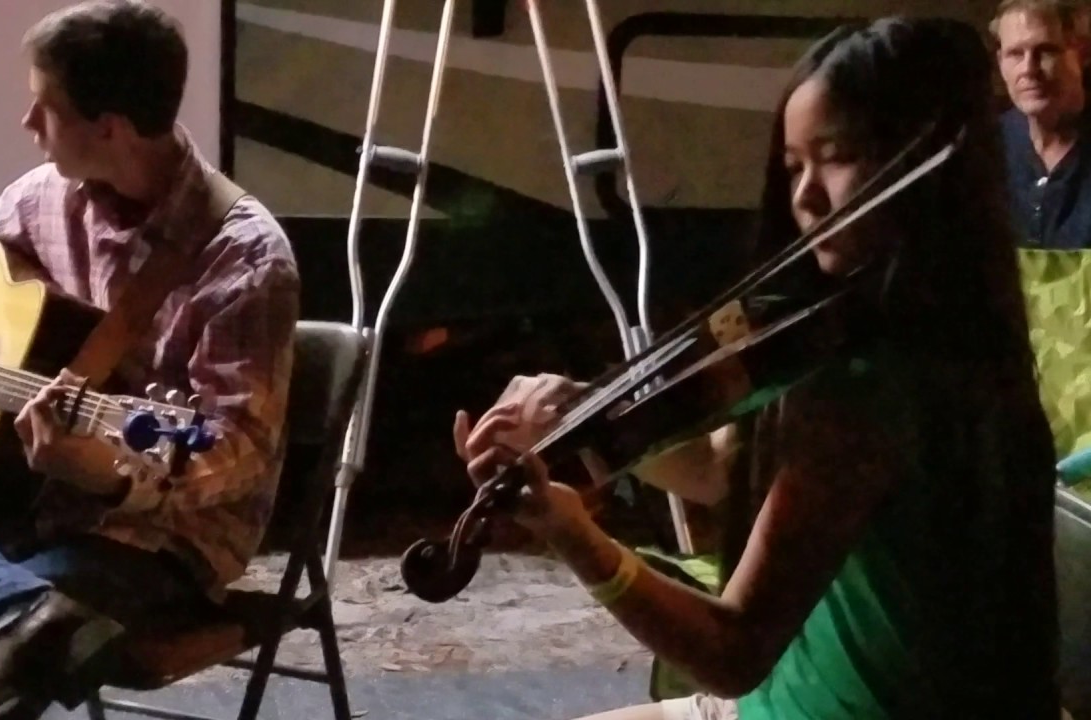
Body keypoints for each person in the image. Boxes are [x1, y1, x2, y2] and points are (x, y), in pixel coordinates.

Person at [454, 17, 1061, 720]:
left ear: (915, 162)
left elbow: (732, 651)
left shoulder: (870, 388)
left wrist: (574, 535)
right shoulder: (962, 337)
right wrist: (587, 415)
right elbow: (720, 471)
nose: (805, 196)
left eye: (835, 156)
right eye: (793, 166)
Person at [0, 1, 298, 718]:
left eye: (44, 108)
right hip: (8, 504)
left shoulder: (246, 260)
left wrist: (98, 470)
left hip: (150, 543)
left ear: (110, 130)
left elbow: (237, 450)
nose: (26, 125)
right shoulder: (53, 195)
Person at [994, 0, 1091, 247]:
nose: (1028, 69)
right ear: (1000, 63)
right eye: (1015, 54)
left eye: (1046, 51)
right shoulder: (987, 146)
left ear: (1082, 53)